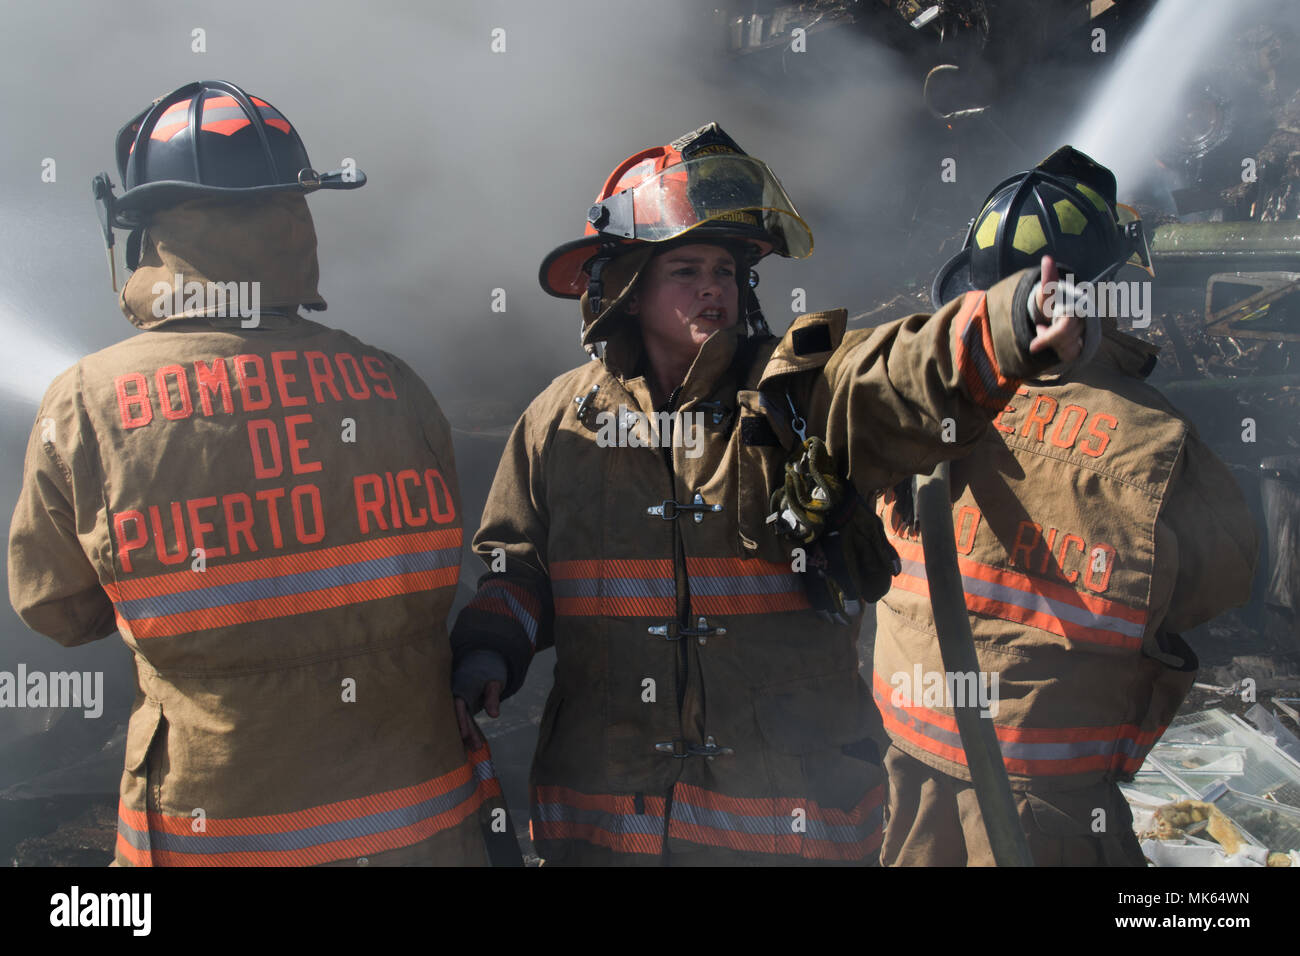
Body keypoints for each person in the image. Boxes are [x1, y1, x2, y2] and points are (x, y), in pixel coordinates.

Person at [449, 122, 1088, 865]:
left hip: (781, 821)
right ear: (627, 286)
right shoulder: (562, 420)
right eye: (686, 269)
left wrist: (1007, 327)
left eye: (725, 270)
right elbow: (516, 563)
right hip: (608, 819)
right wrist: (491, 648)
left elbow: (893, 372)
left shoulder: (798, 394)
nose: (714, 287)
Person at [8, 80, 505, 866]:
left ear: (144, 228)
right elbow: (436, 567)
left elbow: (55, 608)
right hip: (419, 819)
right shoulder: (390, 382)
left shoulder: (86, 402)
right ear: (295, 216)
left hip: (219, 828)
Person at [872, 147, 1259, 866]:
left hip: (908, 761)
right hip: (1046, 802)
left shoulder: (919, 402)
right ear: (1110, 293)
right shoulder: (1156, 440)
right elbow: (1223, 581)